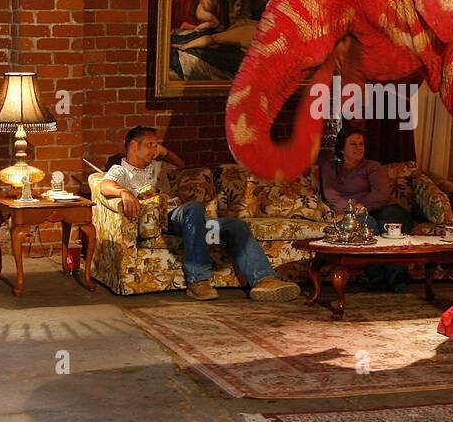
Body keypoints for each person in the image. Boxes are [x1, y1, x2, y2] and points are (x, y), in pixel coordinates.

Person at [100, 126, 300, 302]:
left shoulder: (156, 167)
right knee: (194, 208)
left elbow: (180, 164)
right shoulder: (122, 170)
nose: (155, 150)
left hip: (192, 223)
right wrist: (124, 192)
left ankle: (265, 279)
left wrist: (163, 151)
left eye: (156, 146)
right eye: (150, 145)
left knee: (235, 225)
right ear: (134, 146)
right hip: (167, 221)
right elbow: (105, 185)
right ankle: (198, 280)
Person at [319, 127, 412, 291]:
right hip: (357, 213)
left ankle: (398, 279)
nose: (359, 148)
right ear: (342, 148)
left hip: (383, 207)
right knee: (366, 224)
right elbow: (331, 194)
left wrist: (359, 207)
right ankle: (377, 278)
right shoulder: (330, 168)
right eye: (353, 144)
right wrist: (350, 212)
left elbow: (381, 192)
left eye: (361, 144)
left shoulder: (372, 166)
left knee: (391, 223)